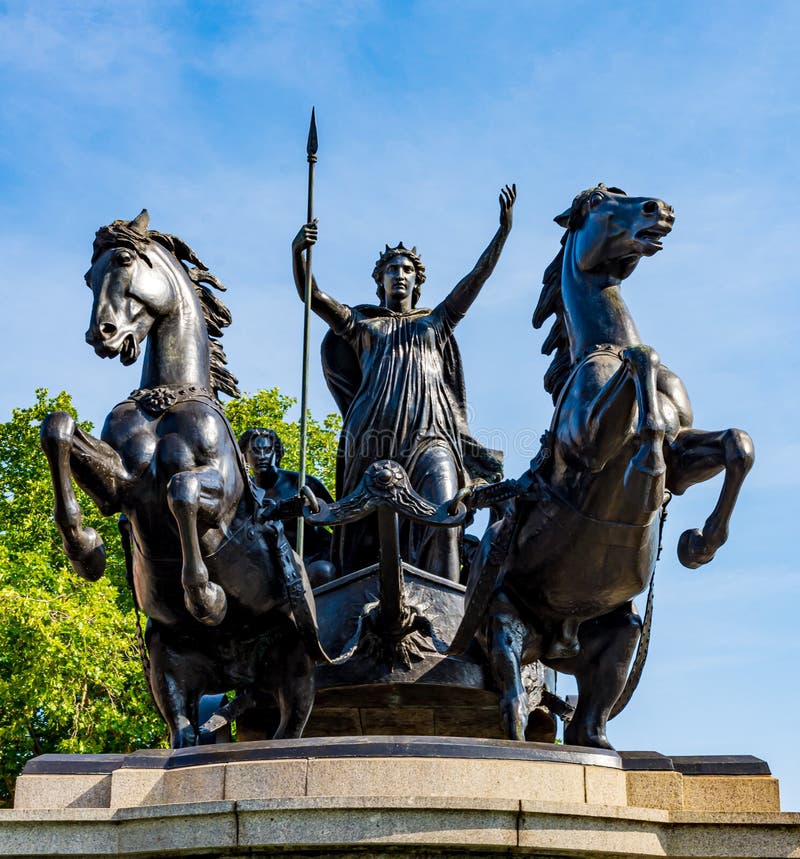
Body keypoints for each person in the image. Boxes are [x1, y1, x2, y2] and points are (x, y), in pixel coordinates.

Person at [292, 185, 515, 581]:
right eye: (392, 269)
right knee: (364, 538)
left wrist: (502, 232)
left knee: (445, 512)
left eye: (407, 270)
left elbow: (475, 280)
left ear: (417, 281)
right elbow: (314, 296)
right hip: (372, 438)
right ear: (380, 280)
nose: (400, 275)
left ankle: (445, 611)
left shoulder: (436, 322)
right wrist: (299, 254)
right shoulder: (363, 324)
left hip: (432, 438)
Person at [238, 427, 336, 588]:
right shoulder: (243, 494)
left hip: (314, 558)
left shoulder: (302, 482)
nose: (262, 456)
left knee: (322, 571)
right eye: (255, 451)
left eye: (267, 450)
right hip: (275, 566)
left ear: (276, 453)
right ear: (244, 456)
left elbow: (336, 519)